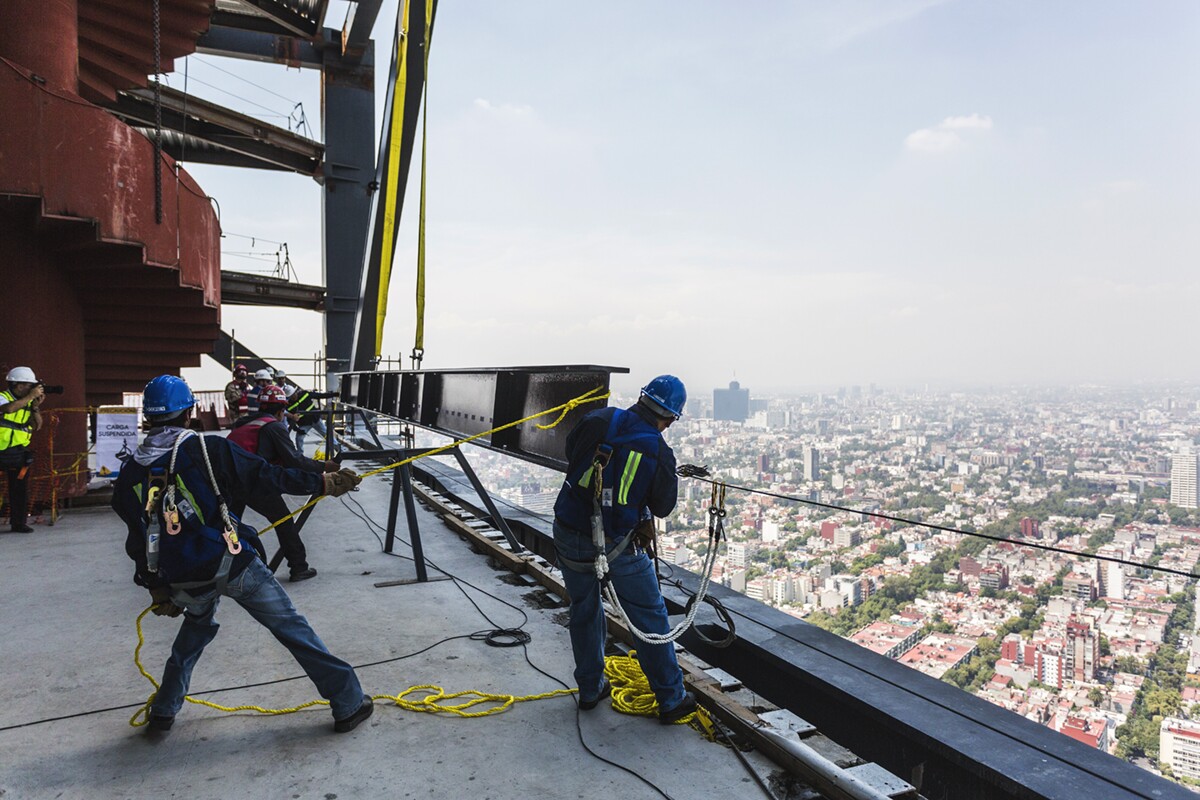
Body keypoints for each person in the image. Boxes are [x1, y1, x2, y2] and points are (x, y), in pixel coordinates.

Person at [113, 375, 372, 735]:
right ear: (189, 413)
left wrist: (155, 587)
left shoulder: (128, 474)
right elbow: (266, 475)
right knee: (290, 626)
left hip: (183, 573)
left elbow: (137, 539)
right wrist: (323, 484)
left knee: (194, 631)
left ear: (148, 419)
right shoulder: (207, 450)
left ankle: (164, 710)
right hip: (231, 561)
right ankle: (348, 702)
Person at [552, 374, 697, 724]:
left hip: (569, 532)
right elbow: (663, 506)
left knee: (585, 610)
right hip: (619, 545)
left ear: (642, 398)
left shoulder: (598, 419)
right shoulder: (660, 452)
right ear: (672, 418)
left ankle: (590, 688)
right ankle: (670, 698)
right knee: (648, 618)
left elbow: (573, 452)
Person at [227, 384, 335, 582]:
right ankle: (299, 567)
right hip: (252, 480)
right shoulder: (274, 426)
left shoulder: (245, 424)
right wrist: (324, 467)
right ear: (280, 410)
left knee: (229, 525)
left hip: (229, 479)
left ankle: (223, 569)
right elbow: (295, 460)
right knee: (284, 521)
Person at [0, 367, 44, 533]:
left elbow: (37, 425)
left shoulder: (28, 402)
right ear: (17, 385)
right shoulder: (2, 397)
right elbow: (8, 409)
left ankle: (18, 523)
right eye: (28, 385)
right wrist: (30, 397)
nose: (31, 389)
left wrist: (35, 406)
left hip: (17, 454)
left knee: (19, 490)